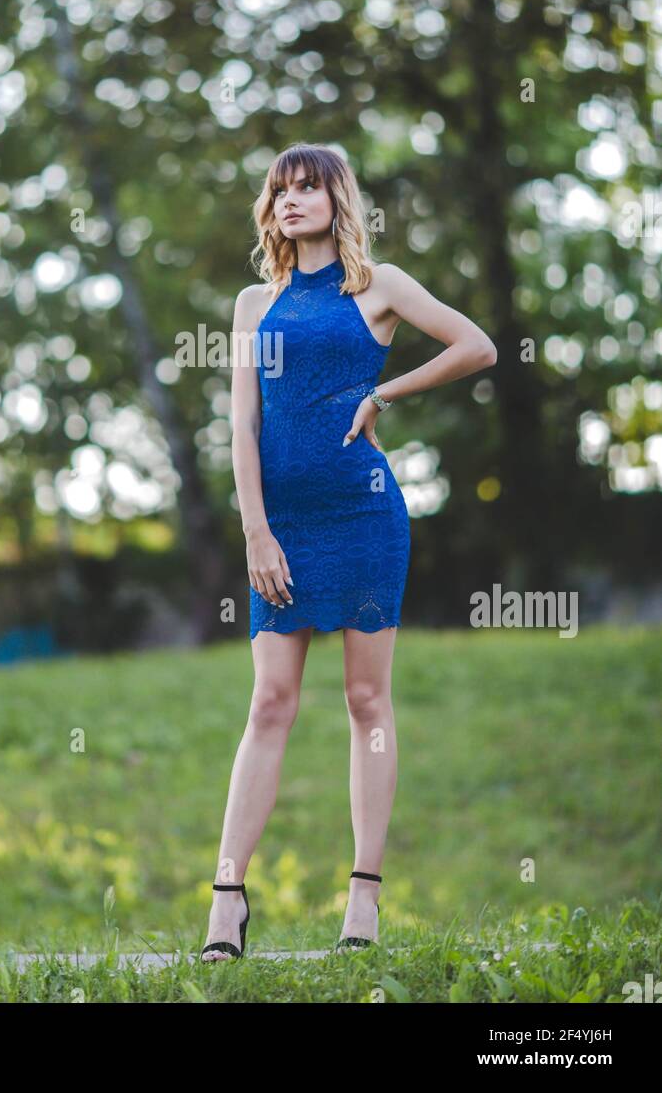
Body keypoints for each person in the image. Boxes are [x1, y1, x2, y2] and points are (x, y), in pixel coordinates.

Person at [200, 142, 497, 961]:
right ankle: (228, 901)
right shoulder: (253, 304)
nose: (291, 200)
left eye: (307, 186)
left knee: (368, 702)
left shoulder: (380, 287)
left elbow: (476, 345)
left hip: (365, 518)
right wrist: (256, 530)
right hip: (283, 527)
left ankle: (363, 901)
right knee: (270, 704)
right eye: (279, 189)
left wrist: (383, 392)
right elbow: (244, 426)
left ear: (337, 198)